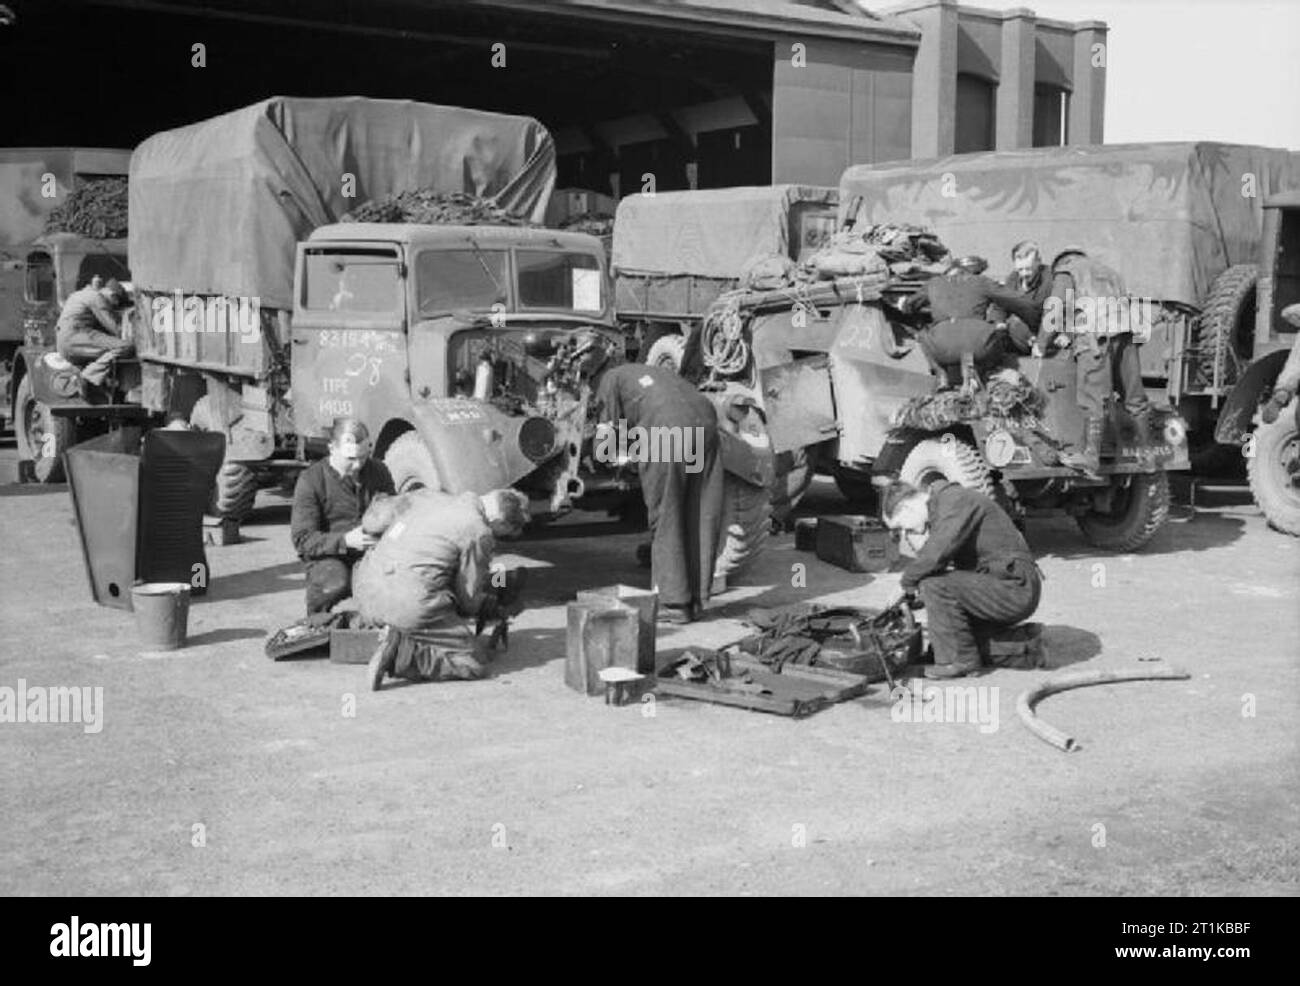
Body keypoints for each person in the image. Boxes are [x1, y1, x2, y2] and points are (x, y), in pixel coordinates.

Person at [592, 363, 723, 624]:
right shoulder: (649, 372)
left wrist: (610, 458)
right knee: (696, 510)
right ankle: (695, 598)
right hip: (705, 420)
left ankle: (673, 603)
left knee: (667, 514)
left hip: (669, 428)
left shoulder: (609, 378)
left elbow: (605, 445)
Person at [360, 488, 530, 689]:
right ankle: (402, 653)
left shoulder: (429, 496)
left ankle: (396, 632)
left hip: (366, 591)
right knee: (475, 663)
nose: (497, 538)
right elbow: (468, 598)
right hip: (409, 604)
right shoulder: (477, 530)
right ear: (499, 521)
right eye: (503, 534)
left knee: (434, 577)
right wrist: (491, 605)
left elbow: (372, 521)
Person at [881, 479, 1042, 679]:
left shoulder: (954, 500)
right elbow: (949, 570)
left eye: (901, 527)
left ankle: (958, 661)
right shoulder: (944, 507)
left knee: (934, 584)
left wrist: (905, 584)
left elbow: (935, 554)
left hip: (1015, 589)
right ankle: (1028, 648)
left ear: (906, 507)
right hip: (1003, 584)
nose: (905, 534)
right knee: (958, 638)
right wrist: (918, 597)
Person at [1039, 247, 1152, 472]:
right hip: (1127, 337)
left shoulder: (1067, 273)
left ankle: (1091, 456)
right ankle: (1147, 455)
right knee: (1134, 397)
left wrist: (1041, 343)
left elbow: (1055, 310)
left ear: (1062, 263)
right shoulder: (1111, 273)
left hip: (1095, 339)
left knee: (1092, 396)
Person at [289, 418, 395, 615]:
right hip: (328, 557)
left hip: (373, 553)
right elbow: (302, 539)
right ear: (332, 448)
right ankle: (317, 623)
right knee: (333, 583)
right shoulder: (311, 480)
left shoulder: (378, 471)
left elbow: (396, 513)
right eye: (350, 459)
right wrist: (345, 540)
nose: (357, 466)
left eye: (363, 458)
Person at [901, 255, 1043, 387]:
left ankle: (941, 375)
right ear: (974, 272)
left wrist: (903, 303)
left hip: (941, 350)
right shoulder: (982, 282)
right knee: (998, 332)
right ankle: (990, 372)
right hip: (979, 348)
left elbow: (908, 306)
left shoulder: (933, 284)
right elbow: (1020, 301)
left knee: (922, 335)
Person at [55, 278, 134, 389]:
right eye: (116, 305)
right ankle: (88, 376)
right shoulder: (97, 298)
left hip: (64, 342)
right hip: (76, 336)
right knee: (126, 346)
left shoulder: (78, 294)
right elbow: (115, 329)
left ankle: (85, 378)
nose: (113, 307)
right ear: (113, 296)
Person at [988, 240, 1053, 353]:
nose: (1024, 274)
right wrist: (999, 322)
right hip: (1020, 330)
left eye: (1028, 269)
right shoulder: (1013, 279)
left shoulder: (1050, 279)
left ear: (1038, 261)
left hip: (1045, 329)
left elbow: (1061, 309)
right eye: (1020, 269)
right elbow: (999, 305)